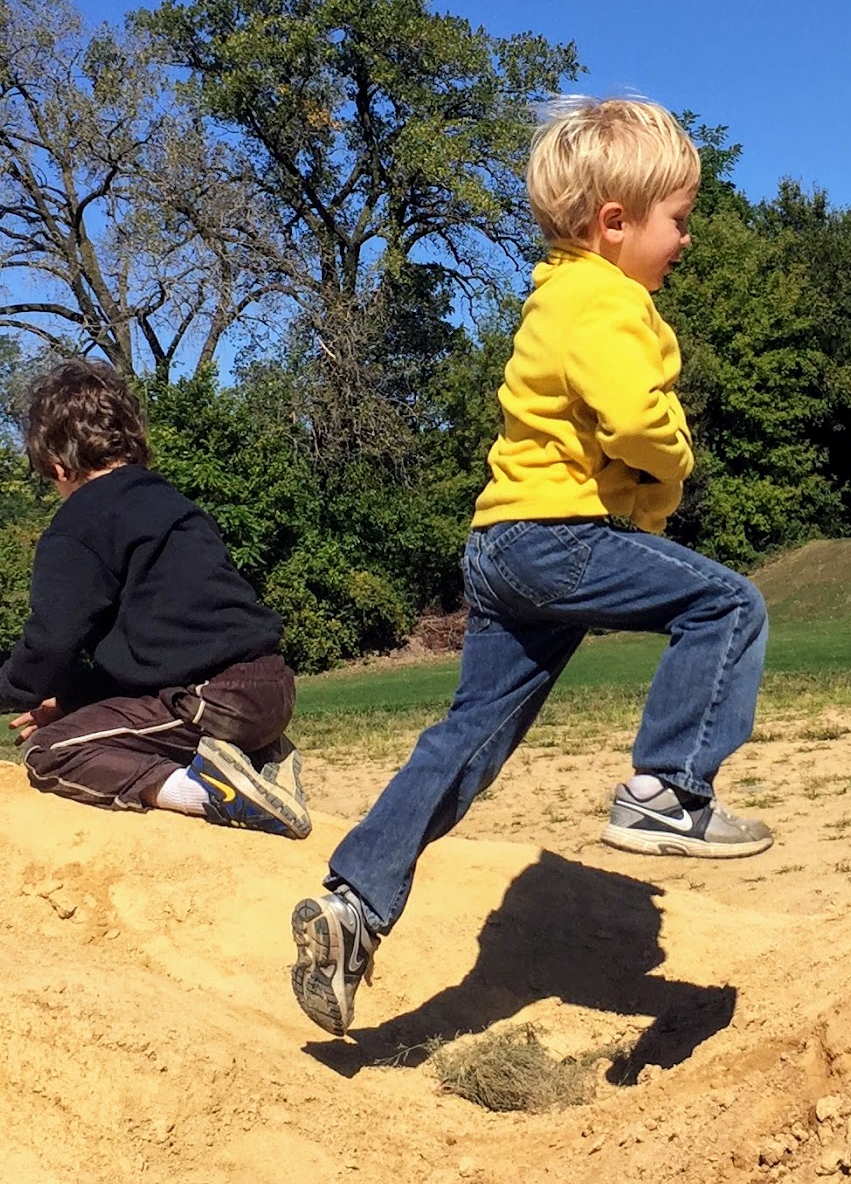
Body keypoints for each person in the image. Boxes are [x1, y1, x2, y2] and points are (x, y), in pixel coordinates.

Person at [290, 97, 772, 1037]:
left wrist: (640, 488)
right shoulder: (608, 299)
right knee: (729, 605)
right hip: (559, 538)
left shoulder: (555, 292)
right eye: (679, 218)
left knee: (467, 737)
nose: (686, 238)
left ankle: (355, 903)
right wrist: (675, 454)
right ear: (615, 224)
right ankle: (668, 791)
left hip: (502, 546)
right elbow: (636, 422)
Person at [0, 359, 310, 839]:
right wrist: (76, 700)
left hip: (208, 701)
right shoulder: (176, 506)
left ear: (57, 465)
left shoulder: (76, 527)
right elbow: (162, 649)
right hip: (272, 690)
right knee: (97, 725)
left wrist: (2, 691)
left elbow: (51, 641)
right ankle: (263, 758)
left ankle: (210, 793)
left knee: (51, 752)